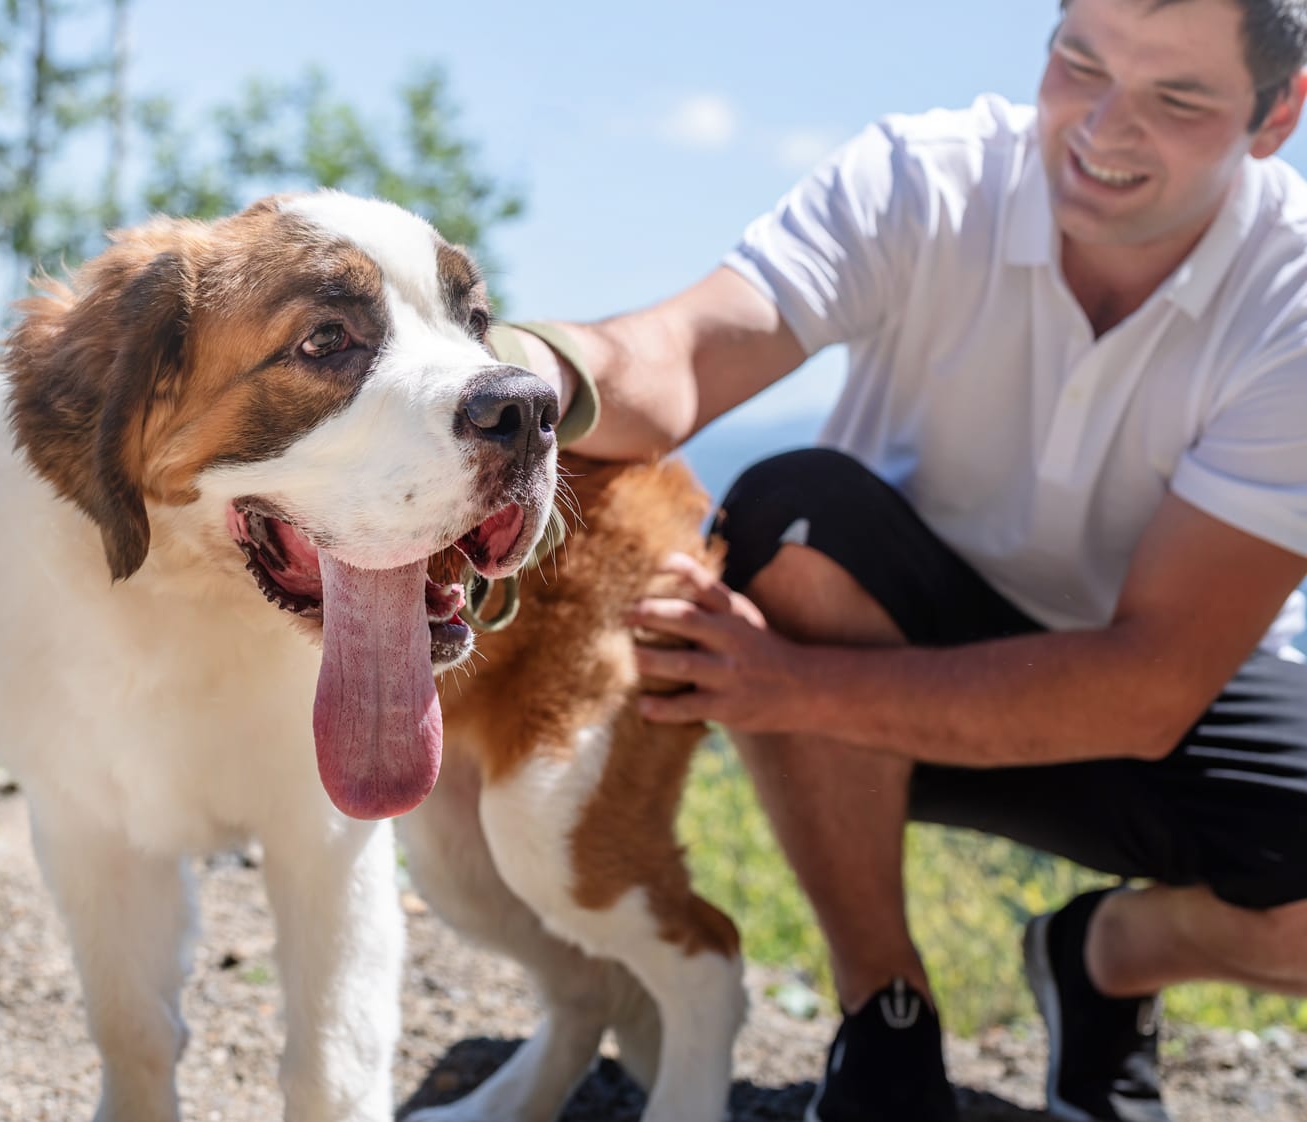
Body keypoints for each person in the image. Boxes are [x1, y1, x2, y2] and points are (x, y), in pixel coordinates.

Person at [489, 1, 1307, 1119]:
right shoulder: (921, 179)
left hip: (1128, 697)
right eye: (1079, 64)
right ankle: (884, 1014)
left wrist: (789, 686)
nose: (1103, 129)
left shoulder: (1293, 299)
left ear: (1275, 116)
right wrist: (514, 370)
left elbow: (1152, 688)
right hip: (867, 645)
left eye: (1175, 100)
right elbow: (673, 356)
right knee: (797, 511)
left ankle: (1105, 956)